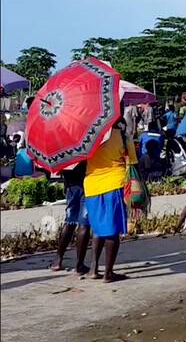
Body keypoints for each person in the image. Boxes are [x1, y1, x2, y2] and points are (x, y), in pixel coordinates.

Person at [83, 119, 137, 282]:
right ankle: (108, 273)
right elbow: (133, 163)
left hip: (91, 186)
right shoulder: (122, 136)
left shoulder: (89, 137)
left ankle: (93, 269)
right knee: (112, 229)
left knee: (98, 228)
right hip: (114, 183)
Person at [50, 162, 91, 274]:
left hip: (71, 186)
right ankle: (79, 264)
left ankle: (57, 259)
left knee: (69, 222)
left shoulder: (66, 148)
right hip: (87, 184)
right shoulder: (86, 146)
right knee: (84, 224)